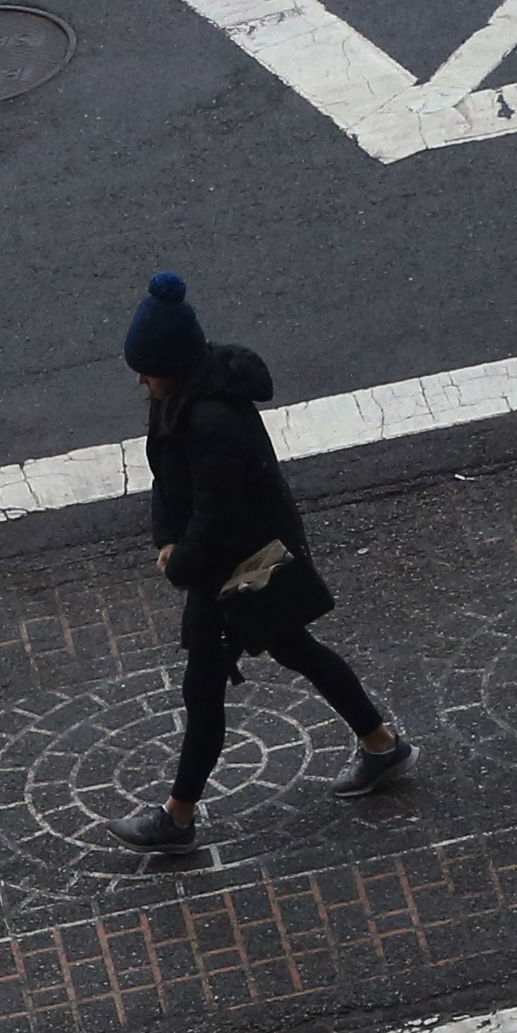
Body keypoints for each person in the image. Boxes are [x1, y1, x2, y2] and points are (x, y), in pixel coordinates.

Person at [114, 272, 411, 856]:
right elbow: (170, 483)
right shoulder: (179, 400)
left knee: (204, 689)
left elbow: (216, 515)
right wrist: (165, 536)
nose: (138, 380)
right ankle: (381, 746)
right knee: (294, 647)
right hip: (233, 562)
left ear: (169, 366)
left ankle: (177, 817)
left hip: (241, 568)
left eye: (145, 369)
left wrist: (179, 563)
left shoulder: (212, 422)